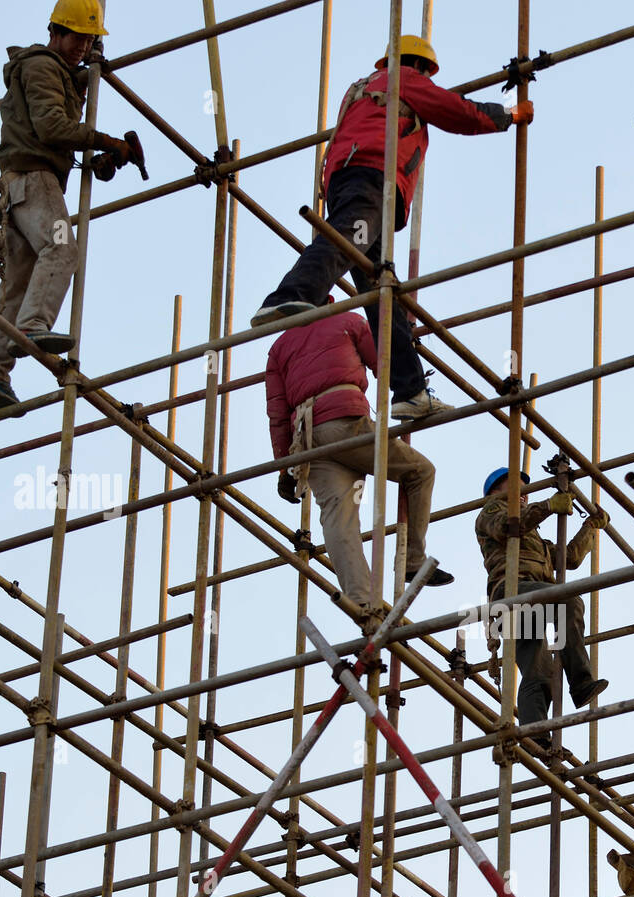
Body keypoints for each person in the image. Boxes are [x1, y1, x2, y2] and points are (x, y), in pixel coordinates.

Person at [251, 35, 533, 420]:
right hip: (371, 177)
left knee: (381, 291)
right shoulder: (402, 78)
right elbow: (456, 111)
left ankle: (410, 387)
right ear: (417, 66)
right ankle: (289, 295)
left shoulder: (361, 89)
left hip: (353, 179)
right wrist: (508, 115)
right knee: (349, 239)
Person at [0, 1, 135, 413]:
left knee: (19, 282)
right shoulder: (42, 66)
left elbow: (51, 131)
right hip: (34, 180)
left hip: (20, 185)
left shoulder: (55, 71)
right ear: (56, 31)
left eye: (88, 39)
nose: (82, 46)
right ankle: (32, 325)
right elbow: (51, 127)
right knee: (62, 248)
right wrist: (106, 141)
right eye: (77, 36)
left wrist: (95, 158)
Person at [266, 305, 451, 622]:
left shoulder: (280, 347)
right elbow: (386, 362)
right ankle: (412, 559)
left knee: (339, 515)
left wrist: (285, 465)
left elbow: (277, 412)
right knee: (420, 472)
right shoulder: (348, 322)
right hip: (346, 420)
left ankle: (361, 601)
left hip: (308, 438)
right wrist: (404, 339)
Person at [476, 467, 608, 743]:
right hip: (511, 593)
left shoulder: (536, 541)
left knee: (540, 673)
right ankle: (580, 682)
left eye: (526, 490)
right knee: (569, 599)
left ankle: (533, 733)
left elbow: (568, 558)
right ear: (494, 492)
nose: (523, 495)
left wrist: (590, 527)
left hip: (533, 598)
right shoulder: (491, 512)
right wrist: (548, 506)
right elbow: (508, 526)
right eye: (514, 488)